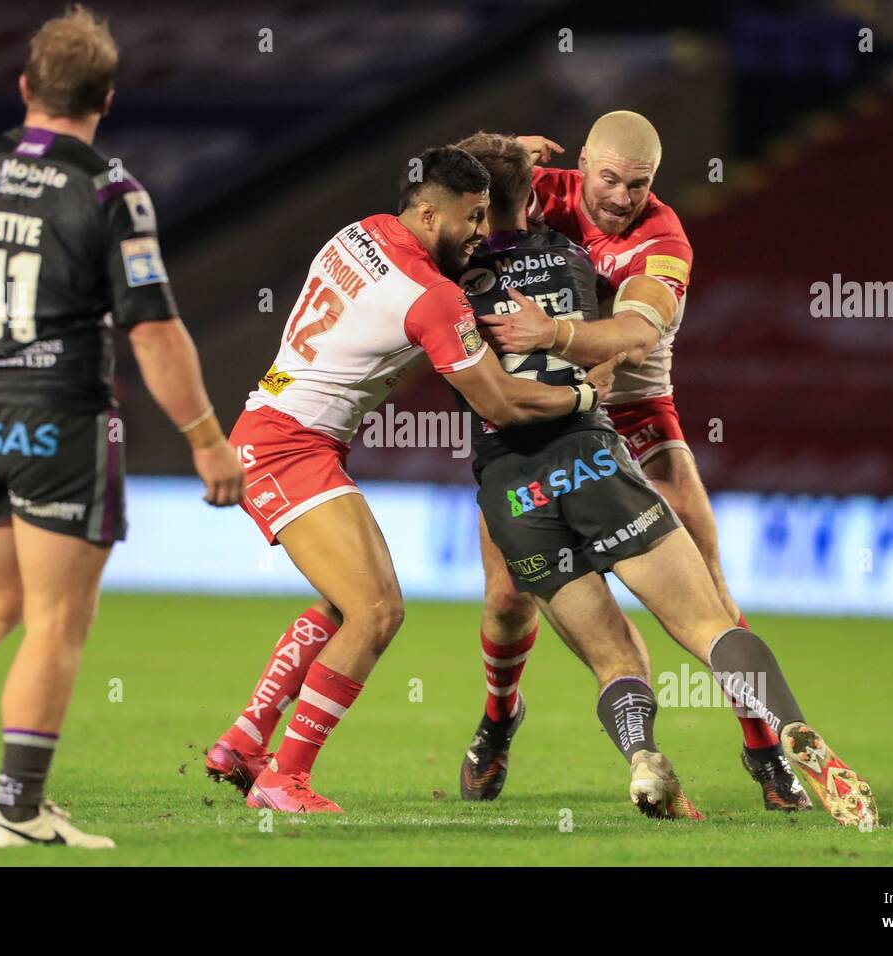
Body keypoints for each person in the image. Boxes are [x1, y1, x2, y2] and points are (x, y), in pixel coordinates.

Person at [0, 5, 244, 849]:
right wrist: (206, 436)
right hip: (60, 423)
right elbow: (152, 330)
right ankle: (19, 810)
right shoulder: (109, 190)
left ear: (25, 86)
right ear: (106, 96)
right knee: (55, 620)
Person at [203, 145, 622, 813]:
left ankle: (247, 740)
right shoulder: (433, 298)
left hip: (273, 426)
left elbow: (438, 178)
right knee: (377, 611)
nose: (483, 232)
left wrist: (507, 153)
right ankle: (284, 779)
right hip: (289, 447)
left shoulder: (360, 231)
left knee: (347, 606)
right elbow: (501, 404)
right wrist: (584, 398)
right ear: (430, 214)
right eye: (474, 218)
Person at [463, 112, 810, 813]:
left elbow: (638, 328)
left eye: (639, 184)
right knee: (505, 598)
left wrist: (557, 331)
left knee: (708, 588)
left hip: (636, 414)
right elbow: (447, 199)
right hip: (535, 417)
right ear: (584, 163)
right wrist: (493, 159)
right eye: (610, 179)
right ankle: (499, 722)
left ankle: (766, 749)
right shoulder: (542, 192)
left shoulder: (663, 238)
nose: (621, 198)